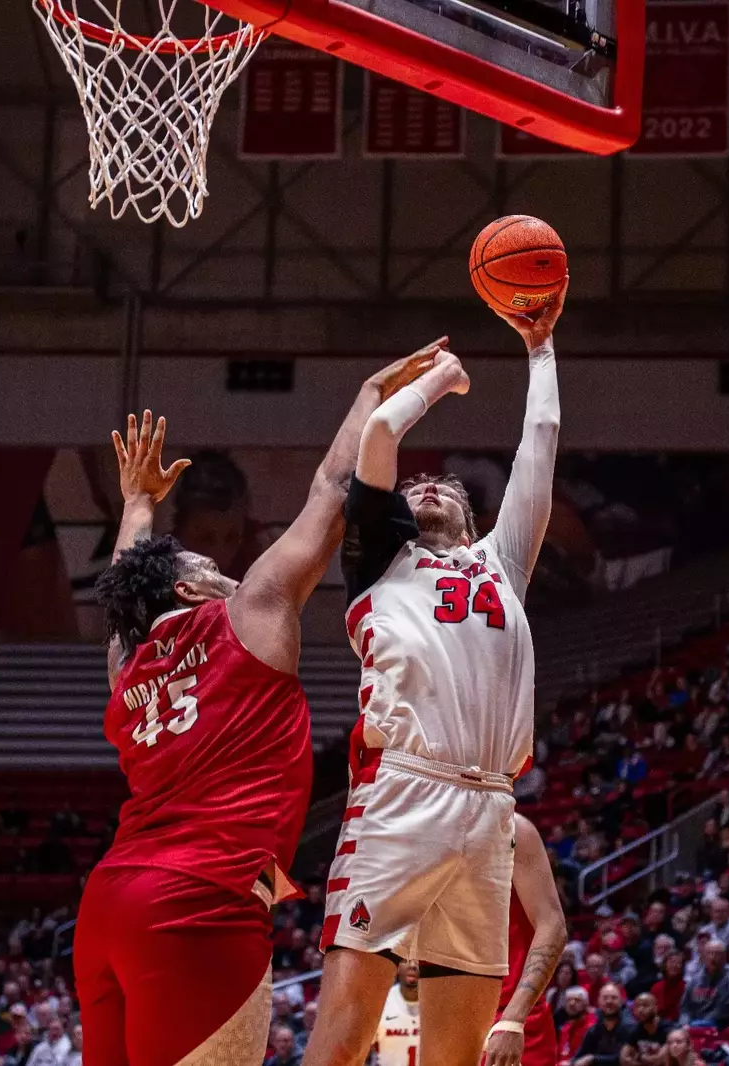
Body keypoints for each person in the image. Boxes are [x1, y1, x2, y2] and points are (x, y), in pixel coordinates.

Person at [77, 356, 440, 1066]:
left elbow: (122, 604)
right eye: (207, 568)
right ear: (187, 594)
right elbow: (335, 490)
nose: (227, 570)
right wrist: (371, 397)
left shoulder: (129, 668)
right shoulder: (250, 613)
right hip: (197, 903)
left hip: (109, 903)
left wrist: (138, 507)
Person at [306, 290, 565, 1066]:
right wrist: (441, 379)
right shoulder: (380, 562)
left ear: (473, 519)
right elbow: (382, 430)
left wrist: (541, 347)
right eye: (414, 489)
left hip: (490, 808)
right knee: (345, 1041)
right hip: (404, 797)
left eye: (444, 487)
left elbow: (541, 439)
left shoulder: (502, 565)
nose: (427, 488)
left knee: (453, 1055)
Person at [489, 814, 569, 1066]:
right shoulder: (426, 827)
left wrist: (513, 1019)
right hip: (447, 1011)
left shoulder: (512, 828)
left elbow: (553, 926)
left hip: (508, 1014)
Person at [375, 962, 420, 1066]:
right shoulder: (381, 1000)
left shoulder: (437, 1004)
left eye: (418, 961)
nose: (412, 965)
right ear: (398, 967)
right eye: (406, 960)